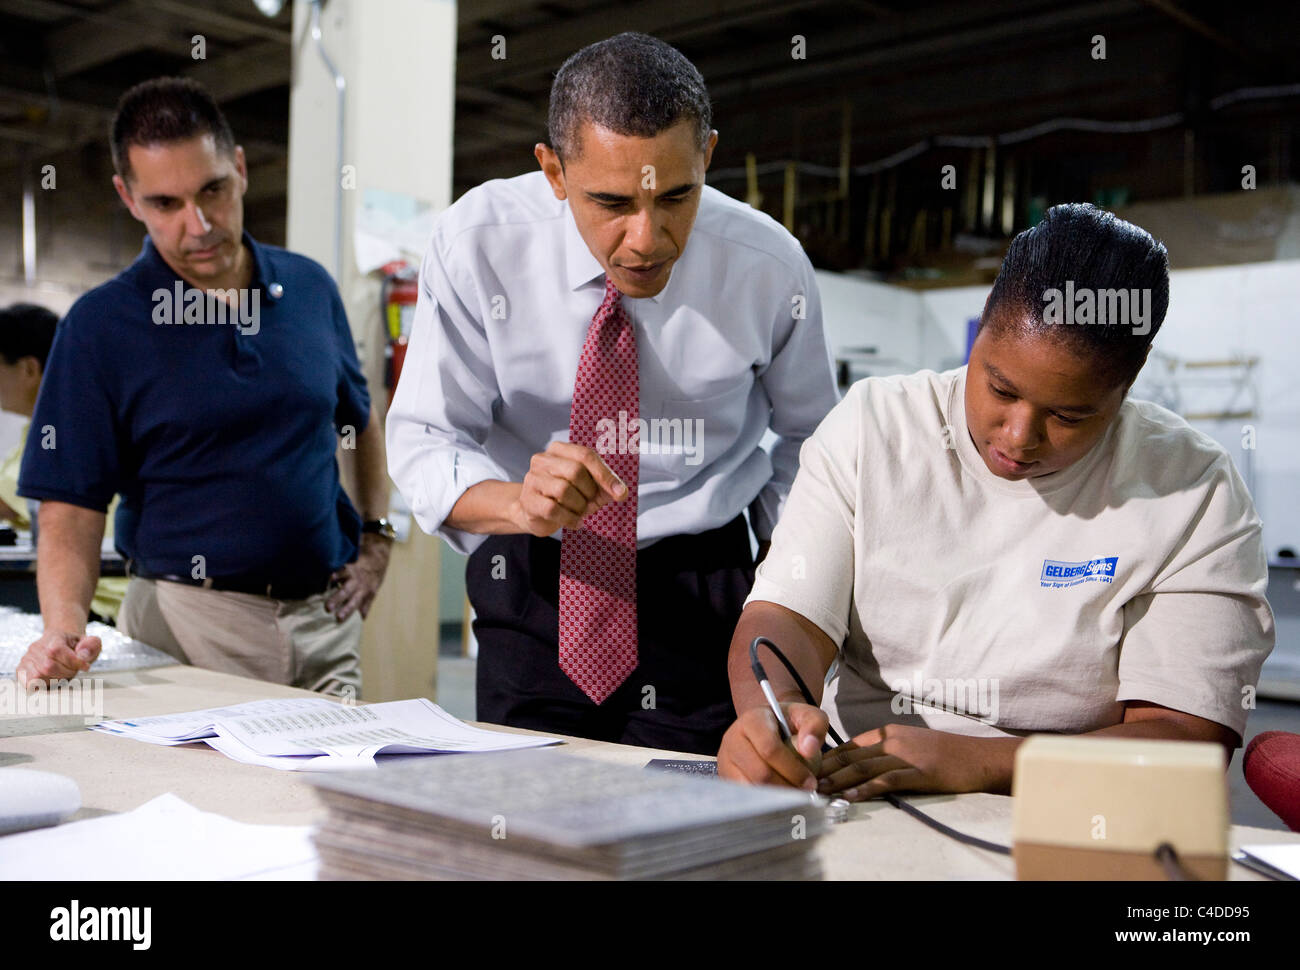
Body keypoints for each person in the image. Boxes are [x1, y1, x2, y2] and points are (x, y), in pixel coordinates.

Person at [717, 203, 1274, 797]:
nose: (1019, 436)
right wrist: (769, 720)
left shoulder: (1193, 492)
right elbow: (785, 619)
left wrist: (980, 762)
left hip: (1079, 813)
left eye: (1069, 416)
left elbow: (1186, 740)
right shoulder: (874, 427)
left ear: (1129, 381)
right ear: (981, 327)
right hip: (862, 794)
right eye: (1000, 388)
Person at [386, 32, 838, 754]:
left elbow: (815, 439)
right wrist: (519, 502)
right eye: (611, 202)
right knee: (527, 826)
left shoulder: (768, 267)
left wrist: (783, 571)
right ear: (554, 172)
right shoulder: (479, 244)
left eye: (677, 197)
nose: (646, 239)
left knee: (686, 830)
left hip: (702, 589)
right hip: (533, 575)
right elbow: (425, 436)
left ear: (708, 155)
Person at [15, 77, 393, 696]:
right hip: (189, 630)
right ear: (129, 198)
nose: (199, 224)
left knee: (336, 792)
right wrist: (62, 629)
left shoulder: (308, 288)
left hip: (326, 624)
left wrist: (377, 538)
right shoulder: (102, 325)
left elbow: (357, 418)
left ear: (240, 169)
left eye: (213, 190)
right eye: (166, 203)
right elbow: (69, 509)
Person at [0, 303, 127, 623]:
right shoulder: (38, 429)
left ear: (29, 369)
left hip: (100, 599)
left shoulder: (69, 425)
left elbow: (9, 502)